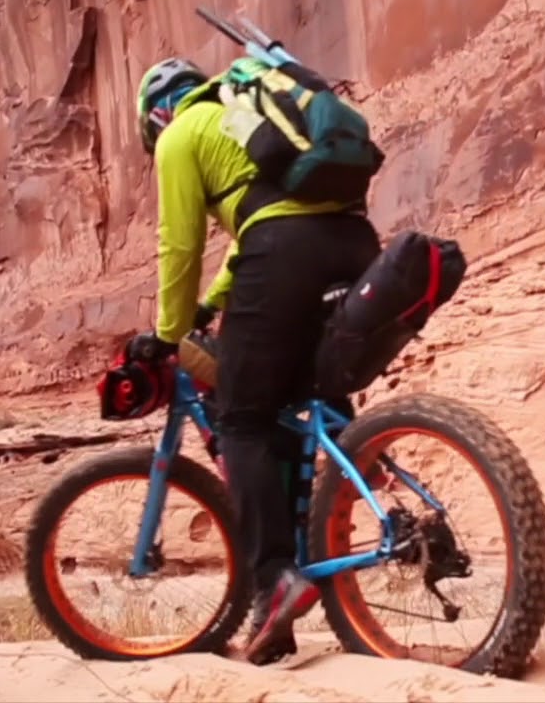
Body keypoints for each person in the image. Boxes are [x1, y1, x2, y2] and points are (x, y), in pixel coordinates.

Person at [133, 57, 381, 664]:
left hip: (285, 251)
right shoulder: (249, 118)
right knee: (292, 393)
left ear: (157, 113)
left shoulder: (181, 136)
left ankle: (275, 581)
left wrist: (169, 332)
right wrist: (212, 305)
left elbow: (180, 244)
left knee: (240, 419)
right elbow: (256, 228)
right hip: (352, 242)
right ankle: (361, 458)